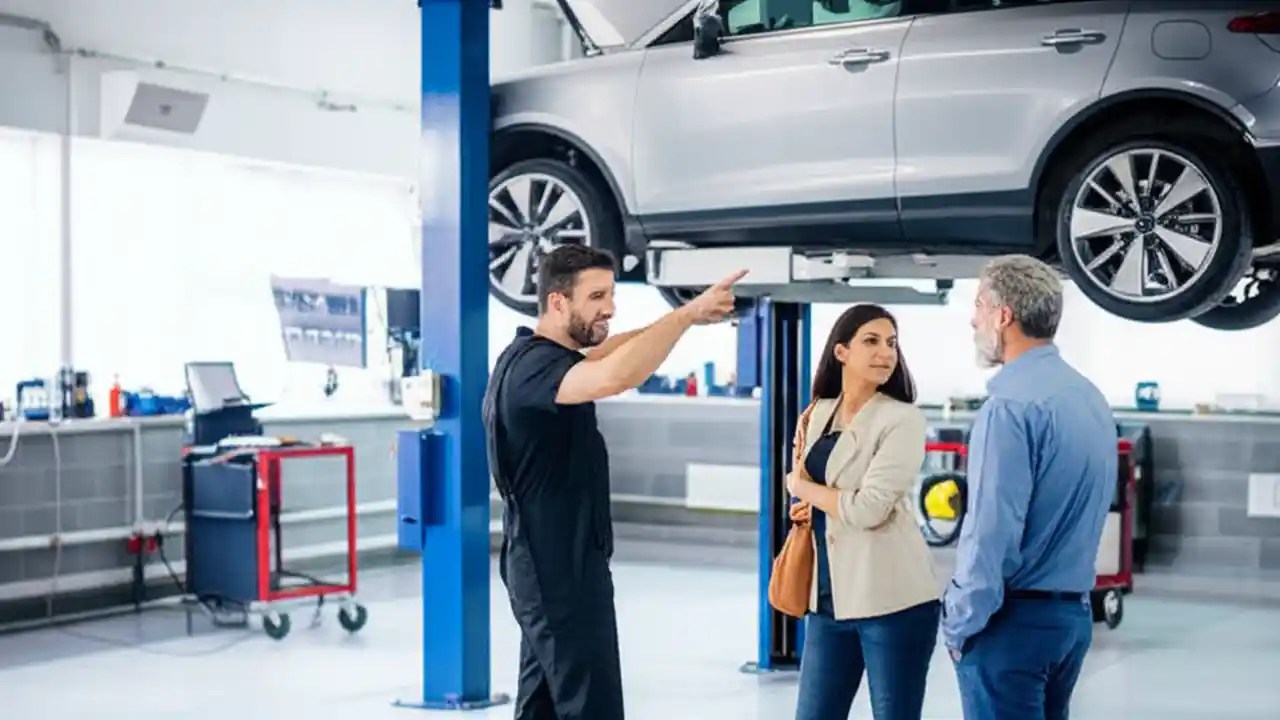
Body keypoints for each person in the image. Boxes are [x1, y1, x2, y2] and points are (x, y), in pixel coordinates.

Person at [482, 244, 746, 720]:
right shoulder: (534, 371)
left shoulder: (535, 357)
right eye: (597, 296)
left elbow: (608, 351)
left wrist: (687, 320)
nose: (610, 307)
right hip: (556, 569)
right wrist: (684, 315)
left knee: (543, 704)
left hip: (550, 563)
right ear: (558, 301)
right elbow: (613, 376)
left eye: (611, 294)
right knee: (591, 703)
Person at [941, 255, 1117, 720]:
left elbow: (992, 532)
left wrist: (959, 622)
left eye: (979, 306)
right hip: (1071, 619)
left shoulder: (1009, 408)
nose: (973, 320)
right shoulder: (1089, 398)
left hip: (1011, 627)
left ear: (1003, 316)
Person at [784, 304, 940, 720]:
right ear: (841, 351)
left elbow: (868, 509)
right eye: (871, 341)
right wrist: (811, 494)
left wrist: (801, 488)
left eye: (891, 343)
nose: (885, 353)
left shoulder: (902, 419)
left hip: (893, 600)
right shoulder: (819, 412)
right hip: (830, 601)